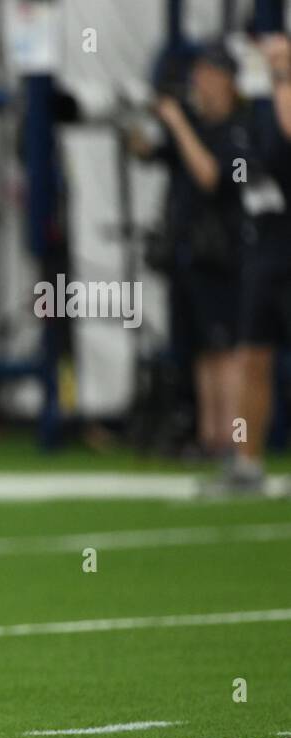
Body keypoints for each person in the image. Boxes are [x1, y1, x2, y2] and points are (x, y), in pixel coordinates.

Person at [134, 43, 245, 465]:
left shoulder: (236, 130)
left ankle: (235, 440)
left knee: (227, 349)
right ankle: (210, 437)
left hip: (223, 254)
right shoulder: (193, 124)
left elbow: (211, 177)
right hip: (187, 255)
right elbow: (143, 150)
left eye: (207, 73)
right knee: (200, 349)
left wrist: (179, 125)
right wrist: (142, 115)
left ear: (227, 80)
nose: (200, 82)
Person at [221, 33, 291, 494]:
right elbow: (235, 170)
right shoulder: (250, 113)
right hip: (265, 249)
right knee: (251, 356)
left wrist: (283, 73)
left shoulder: (281, 97)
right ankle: (247, 461)